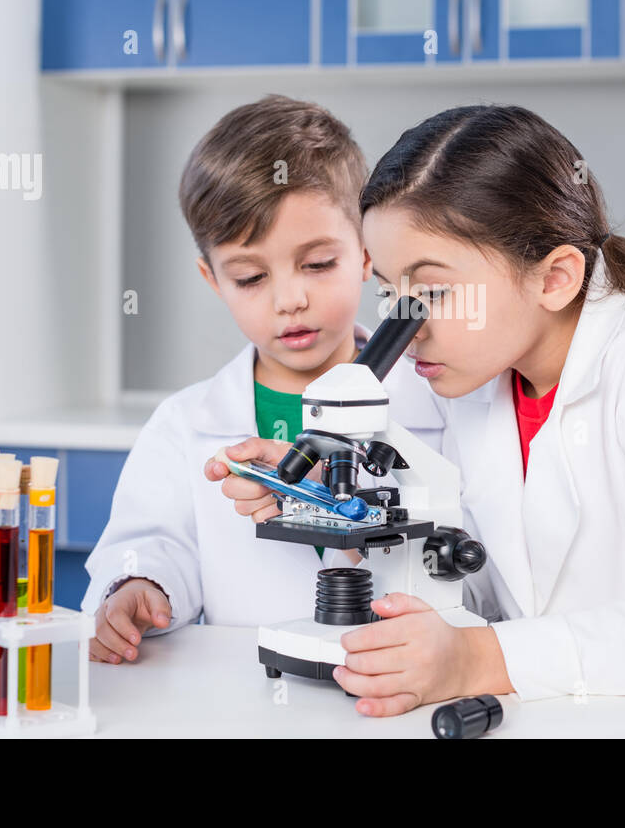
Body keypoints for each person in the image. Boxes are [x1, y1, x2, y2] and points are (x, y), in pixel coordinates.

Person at [216, 104, 625, 715]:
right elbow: (490, 592)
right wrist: (342, 496)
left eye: (431, 291)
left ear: (555, 278)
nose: (405, 326)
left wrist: (475, 660)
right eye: (388, 293)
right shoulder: (485, 382)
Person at [83, 96, 444, 665]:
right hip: (248, 697)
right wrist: (140, 587)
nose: (290, 299)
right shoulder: (185, 425)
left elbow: (482, 556)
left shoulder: (439, 400)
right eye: (251, 277)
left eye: (318, 263)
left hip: (406, 691)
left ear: (368, 252)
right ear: (213, 278)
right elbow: (150, 543)